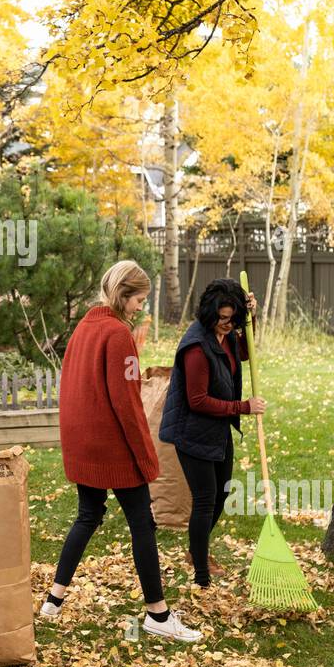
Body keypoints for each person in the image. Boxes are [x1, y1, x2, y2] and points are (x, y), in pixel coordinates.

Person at [40, 260, 202, 643]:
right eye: (139, 300)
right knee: (142, 524)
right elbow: (128, 404)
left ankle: (52, 600)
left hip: (82, 443)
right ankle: (158, 616)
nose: (140, 308)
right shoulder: (117, 334)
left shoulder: (84, 327)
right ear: (123, 294)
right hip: (112, 445)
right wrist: (146, 457)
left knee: (88, 515)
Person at [159, 278, 266, 588]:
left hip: (216, 431)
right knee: (205, 501)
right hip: (192, 432)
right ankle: (201, 576)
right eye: (222, 318)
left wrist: (252, 319)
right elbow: (197, 400)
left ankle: (197, 550)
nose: (227, 324)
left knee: (222, 493)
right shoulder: (196, 347)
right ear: (209, 313)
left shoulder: (228, 335)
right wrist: (243, 407)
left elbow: (246, 352)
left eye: (233, 319)